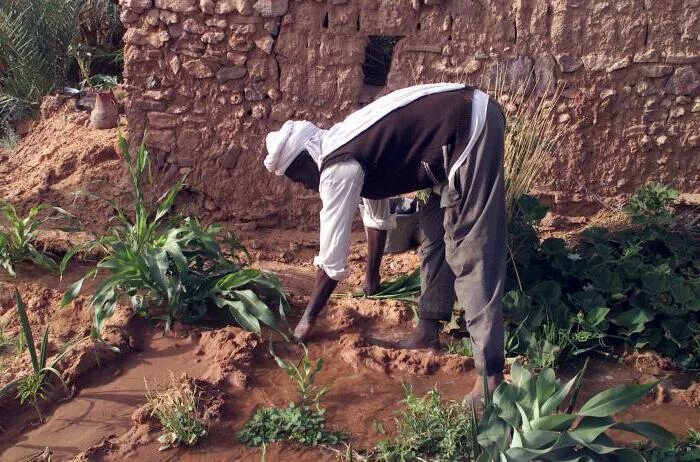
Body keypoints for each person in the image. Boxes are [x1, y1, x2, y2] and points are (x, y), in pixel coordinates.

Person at [263, 83, 507, 400]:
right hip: (450, 139)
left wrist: (306, 321)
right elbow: (376, 217)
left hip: (468, 125)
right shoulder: (350, 148)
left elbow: (331, 261)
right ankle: (427, 333)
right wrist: (371, 278)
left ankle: (490, 377)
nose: (304, 185)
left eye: (298, 176)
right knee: (435, 235)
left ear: (305, 158)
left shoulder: (336, 166)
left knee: (471, 248)